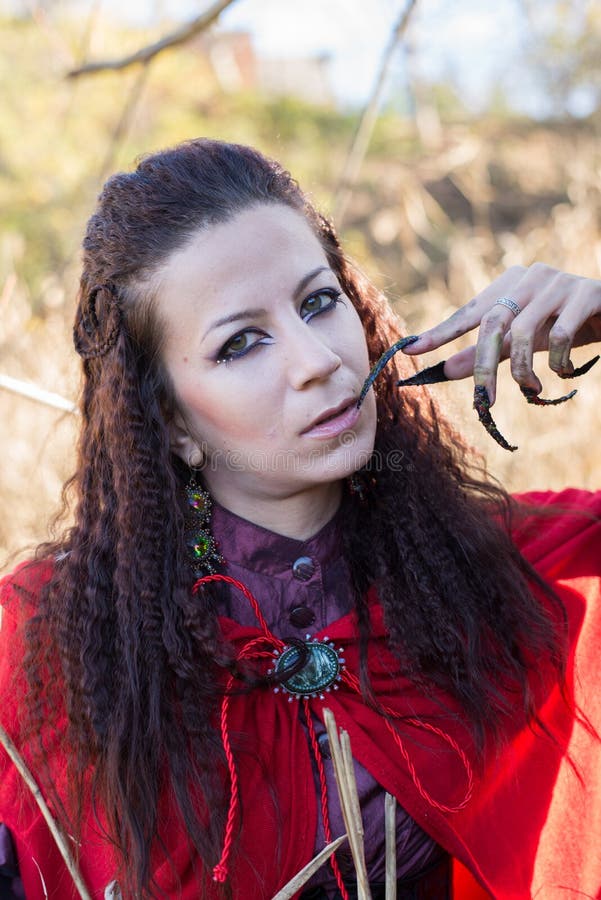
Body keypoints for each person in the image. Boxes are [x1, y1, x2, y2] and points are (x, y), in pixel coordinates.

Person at [0, 138, 600, 900]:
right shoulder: (54, 640)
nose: (317, 359)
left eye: (318, 302)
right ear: (172, 424)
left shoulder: (501, 568)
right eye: (240, 343)